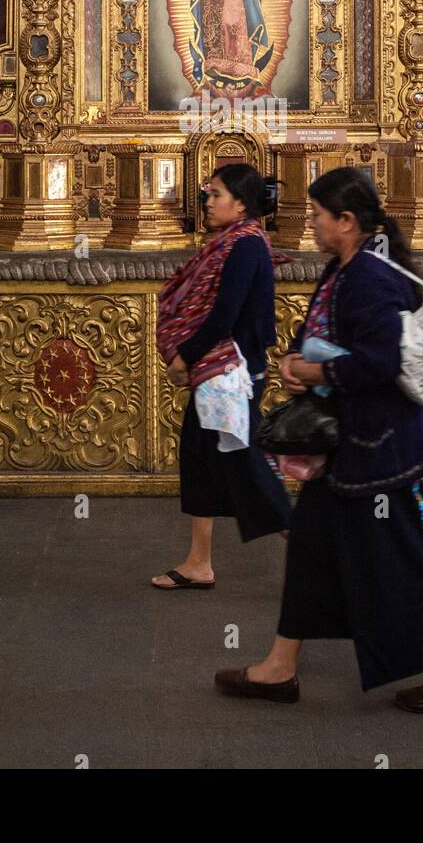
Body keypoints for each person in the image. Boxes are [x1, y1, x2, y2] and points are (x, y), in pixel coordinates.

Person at [215, 167, 423, 712]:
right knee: (311, 548)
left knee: (412, 556)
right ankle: (278, 667)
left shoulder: (370, 275)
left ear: (347, 220)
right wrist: (295, 360)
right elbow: (324, 331)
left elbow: (381, 361)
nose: (310, 223)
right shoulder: (347, 266)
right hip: (351, 448)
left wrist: (313, 375)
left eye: (317, 215)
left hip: (384, 450)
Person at [152, 164, 292, 589]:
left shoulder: (245, 246)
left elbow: (223, 316)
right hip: (219, 370)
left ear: (242, 203)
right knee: (201, 458)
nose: (208, 202)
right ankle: (199, 561)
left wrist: (184, 357)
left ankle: (318, 550)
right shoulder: (228, 243)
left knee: (245, 466)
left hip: (232, 371)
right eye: (207, 194)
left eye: (216, 195)